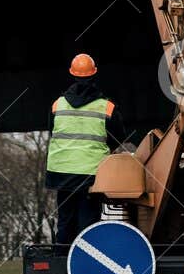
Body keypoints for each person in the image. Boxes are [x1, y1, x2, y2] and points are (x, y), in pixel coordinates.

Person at [45, 52, 125, 246]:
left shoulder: (57, 105)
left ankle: (61, 262)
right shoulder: (107, 108)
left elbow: (52, 132)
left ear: (72, 75)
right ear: (94, 74)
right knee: (88, 224)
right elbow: (119, 137)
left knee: (65, 222)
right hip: (91, 175)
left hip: (62, 173)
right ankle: (86, 266)